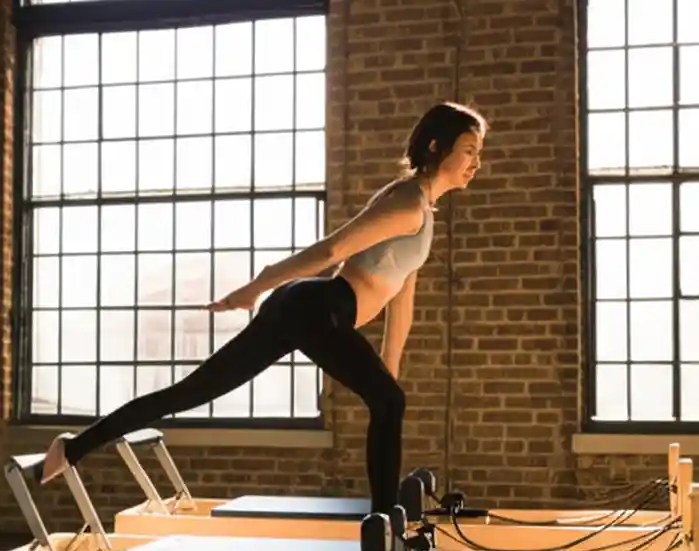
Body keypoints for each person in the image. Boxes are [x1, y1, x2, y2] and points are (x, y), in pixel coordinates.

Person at [39, 101, 487, 516]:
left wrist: (388, 370)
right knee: (386, 401)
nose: (475, 163)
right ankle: (386, 521)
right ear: (435, 146)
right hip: (318, 306)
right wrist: (256, 286)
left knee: (197, 390)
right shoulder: (407, 203)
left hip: (311, 309)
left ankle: (73, 447)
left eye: (478, 153)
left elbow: (401, 301)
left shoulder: (422, 212)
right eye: (468, 150)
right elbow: (332, 250)